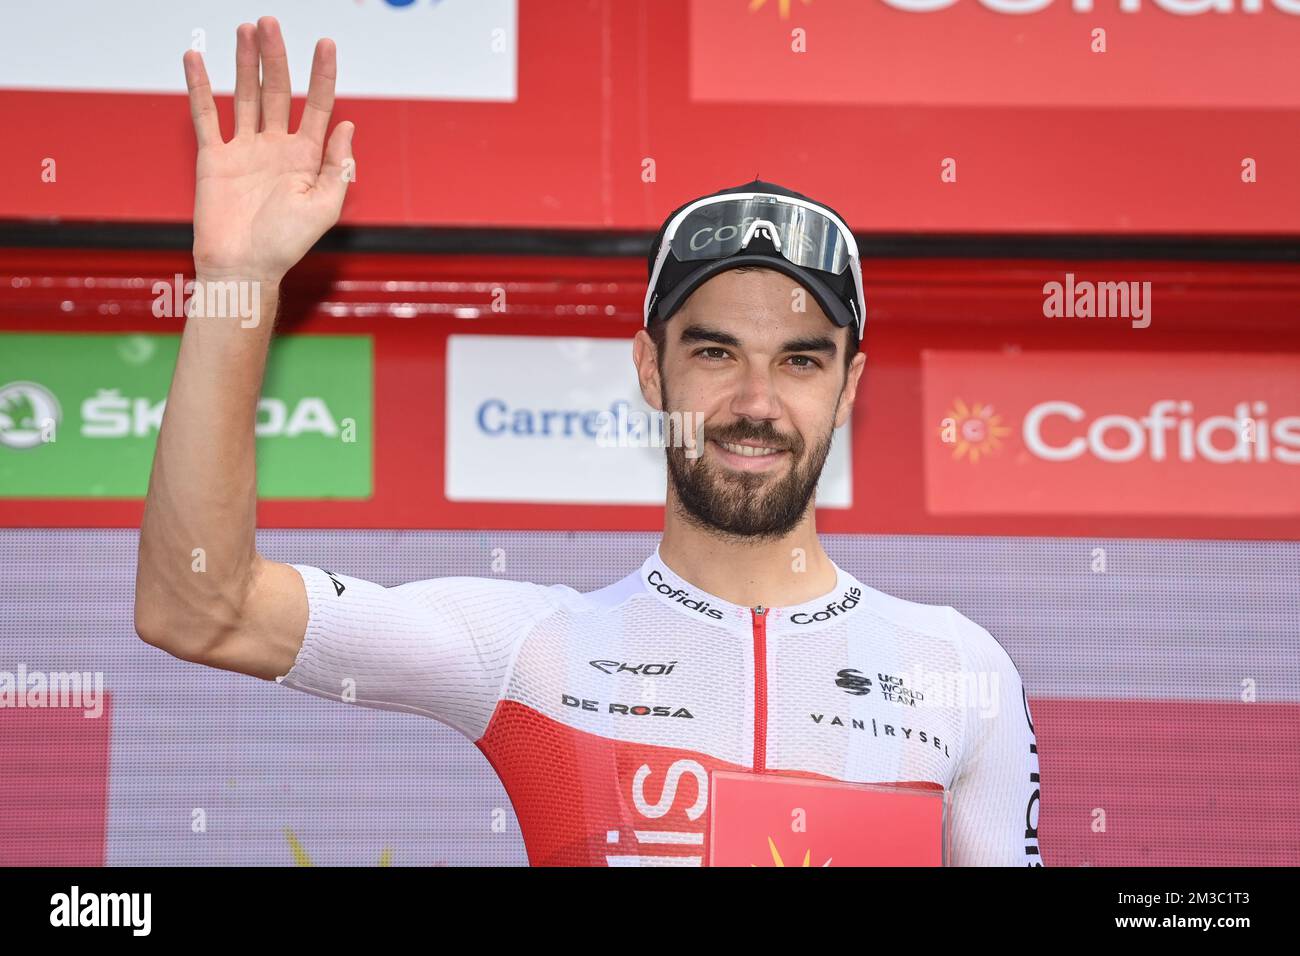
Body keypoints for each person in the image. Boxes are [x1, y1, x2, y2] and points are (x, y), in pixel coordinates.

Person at [134, 15, 1042, 867]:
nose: (757, 402)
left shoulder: (959, 670)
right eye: (716, 351)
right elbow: (199, 608)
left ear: (847, 387)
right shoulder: (530, 650)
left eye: (801, 362)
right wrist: (237, 280)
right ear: (651, 370)